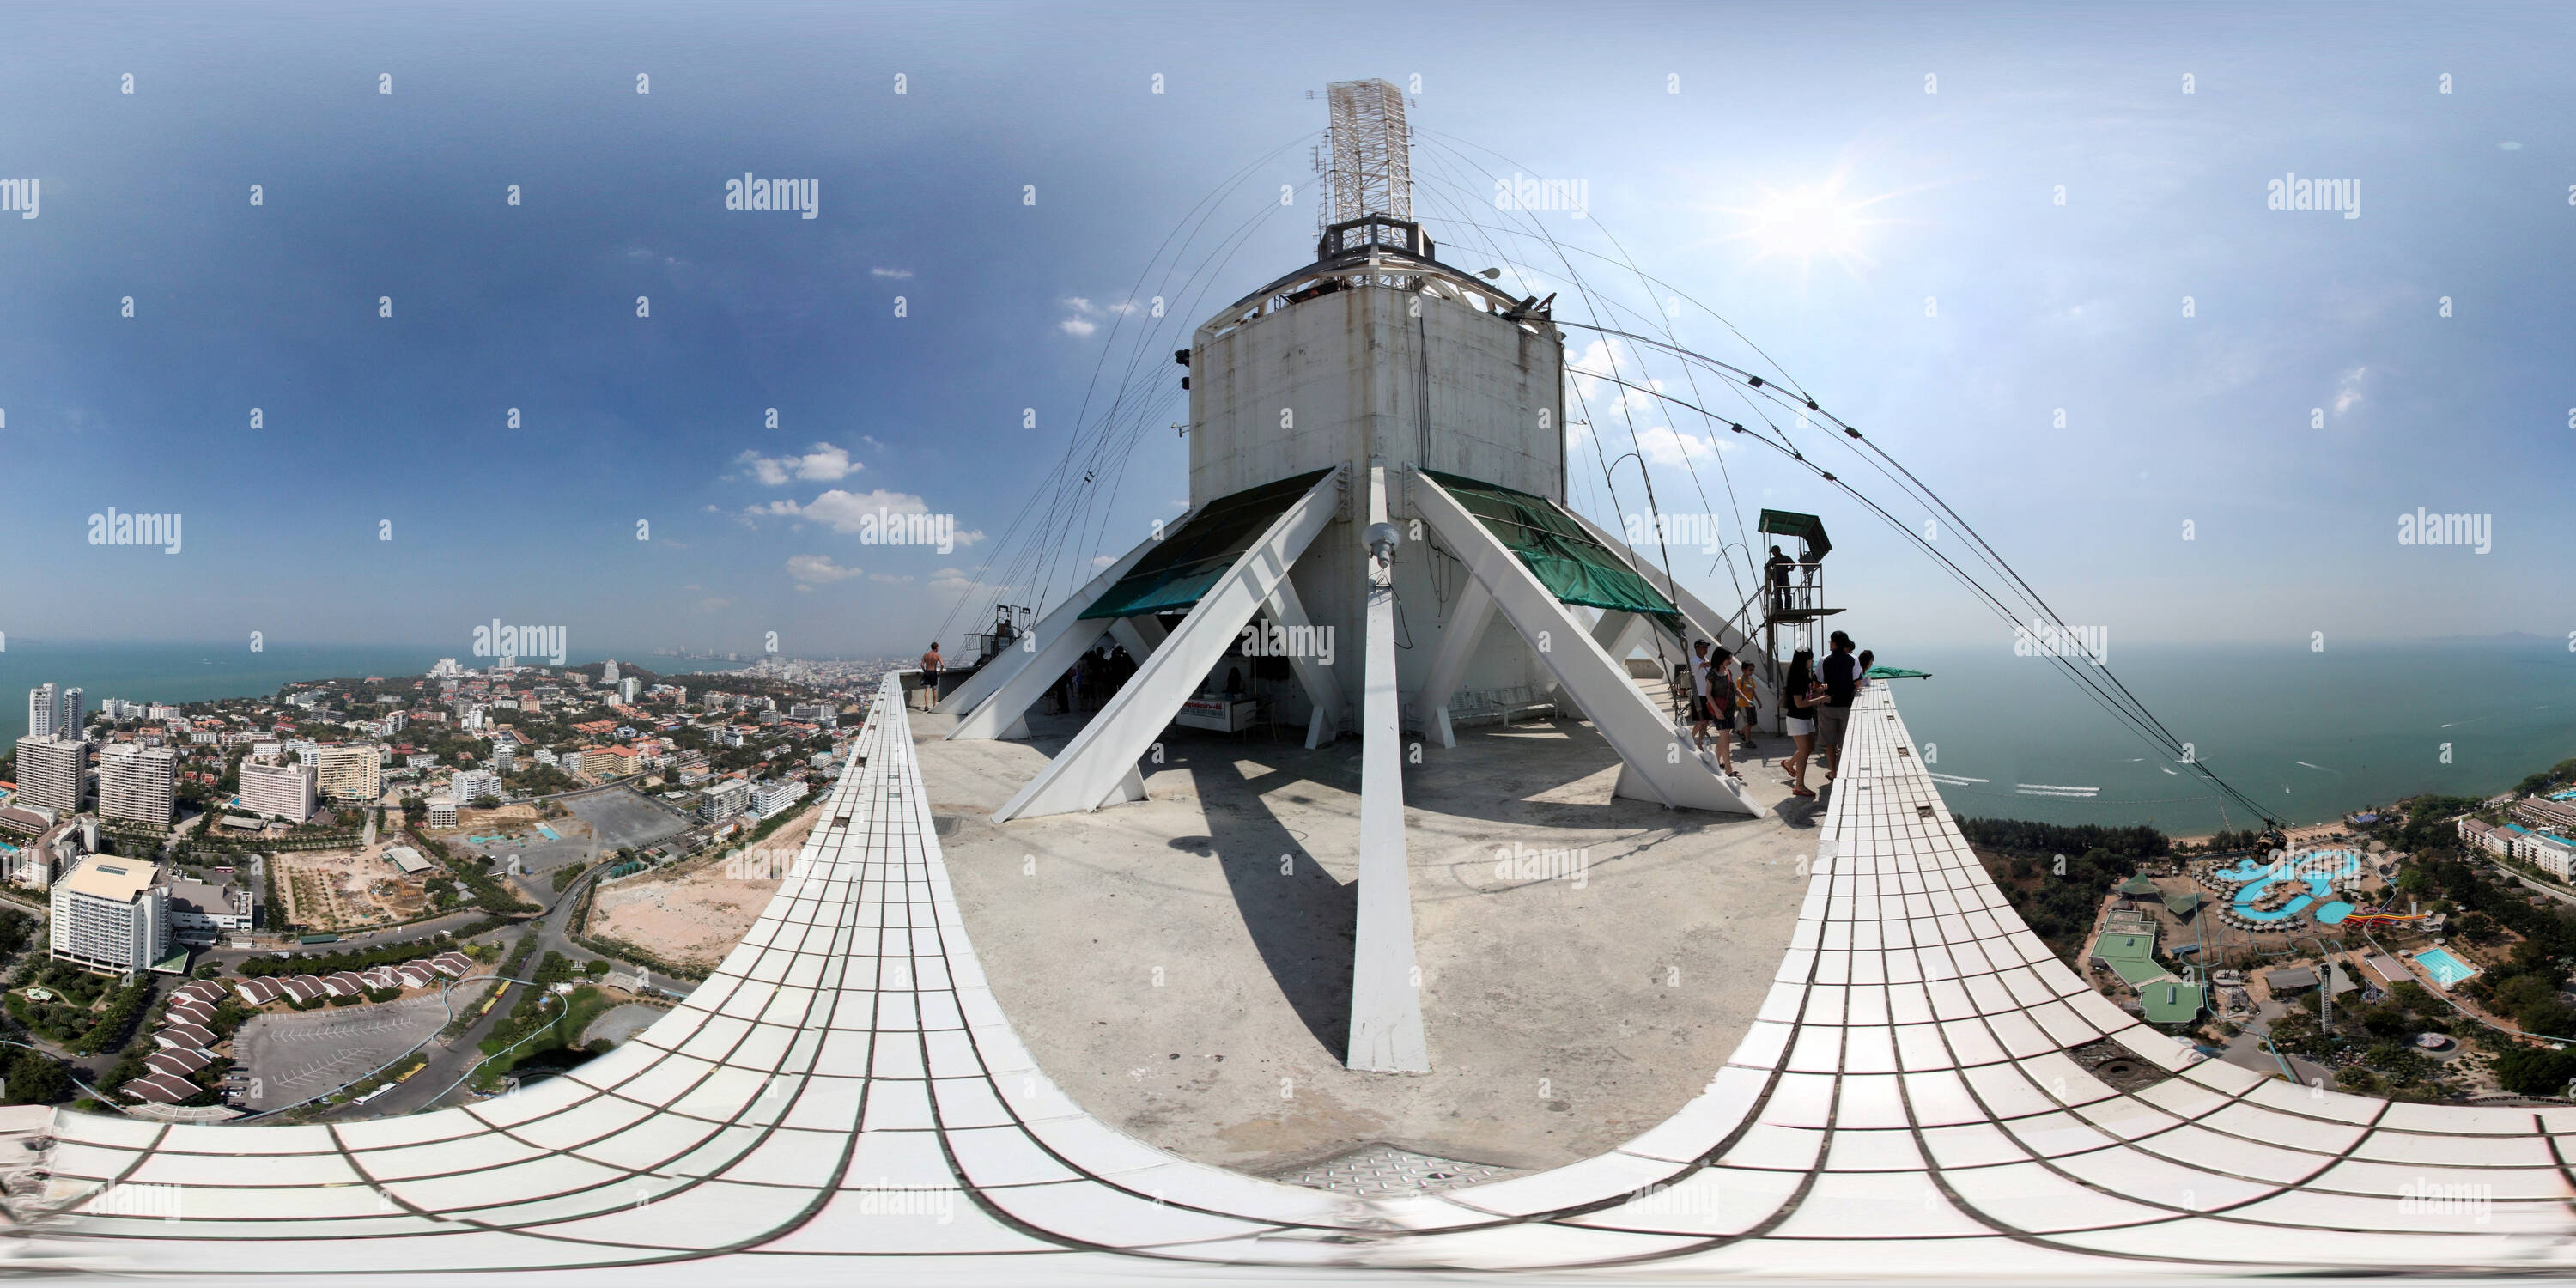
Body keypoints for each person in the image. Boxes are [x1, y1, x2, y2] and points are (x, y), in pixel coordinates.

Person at [1816, 630, 1859, 781]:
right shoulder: (1853, 659)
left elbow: (1819, 681)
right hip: (1847, 706)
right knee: (1845, 741)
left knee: (1830, 742)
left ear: (1834, 643)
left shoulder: (1824, 660)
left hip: (1828, 705)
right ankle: (1844, 771)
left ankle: (1833, 772)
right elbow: (1857, 682)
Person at [1781, 649, 1820, 798]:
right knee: (1804, 752)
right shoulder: (1797, 677)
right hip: (1797, 718)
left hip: (1806, 717)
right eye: (1810, 659)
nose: (1812, 662)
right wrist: (1820, 700)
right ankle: (1799, 786)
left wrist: (1818, 692)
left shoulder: (1806, 675)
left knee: (1809, 748)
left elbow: (1807, 696)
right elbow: (1799, 703)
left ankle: (1789, 764)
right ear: (1804, 660)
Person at [1706, 645, 1743, 782]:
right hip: (1719, 711)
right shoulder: (1712, 674)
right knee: (1726, 738)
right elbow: (1708, 695)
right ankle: (1729, 770)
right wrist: (1717, 711)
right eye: (1729, 658)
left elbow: (1733, 688)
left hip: (1729, 710)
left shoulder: (1728, 672)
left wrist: (1745, 699)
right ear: (1721, 658)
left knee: (1724, 738)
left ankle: (1715, 761)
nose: (1731, 660)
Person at [1686, 641, 1716, 751]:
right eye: (1704, 647)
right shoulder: (1694, 661)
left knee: (1706, 721)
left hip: (1707, 695)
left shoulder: (1706, 660)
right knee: (1700, 722)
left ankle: (1699, 743)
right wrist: (1718, 661)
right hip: (1699, 695)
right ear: (1697, 648)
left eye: (1707, 647)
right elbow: (1704, 665)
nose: (1706, 649)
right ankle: (1690, 739)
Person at [1765, 545, 1795, 617]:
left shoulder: (1786, 558)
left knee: (1787, 594)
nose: (1773, 553)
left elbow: (1793, 564)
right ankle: (1780, 608)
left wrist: (1789, 569)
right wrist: (1771, 571)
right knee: (1778, 595)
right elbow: (1766, 567)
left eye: (1773, 552)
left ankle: (1788, 609)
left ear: (1777, 551)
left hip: (1784, 579)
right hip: (1776, 579)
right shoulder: (1772, 560)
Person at [918, 641, 944, 709]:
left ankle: (926, 705)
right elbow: (942, 665)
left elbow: (922, 665)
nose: (938, 648)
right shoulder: (937, 655)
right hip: (933, 673)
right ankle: (934, 705)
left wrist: (925, 671)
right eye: (938, 647)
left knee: (927, 690)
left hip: (927, 672)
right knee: (934, 689)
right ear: (936, 648)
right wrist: (940, 673)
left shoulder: (926, 655)